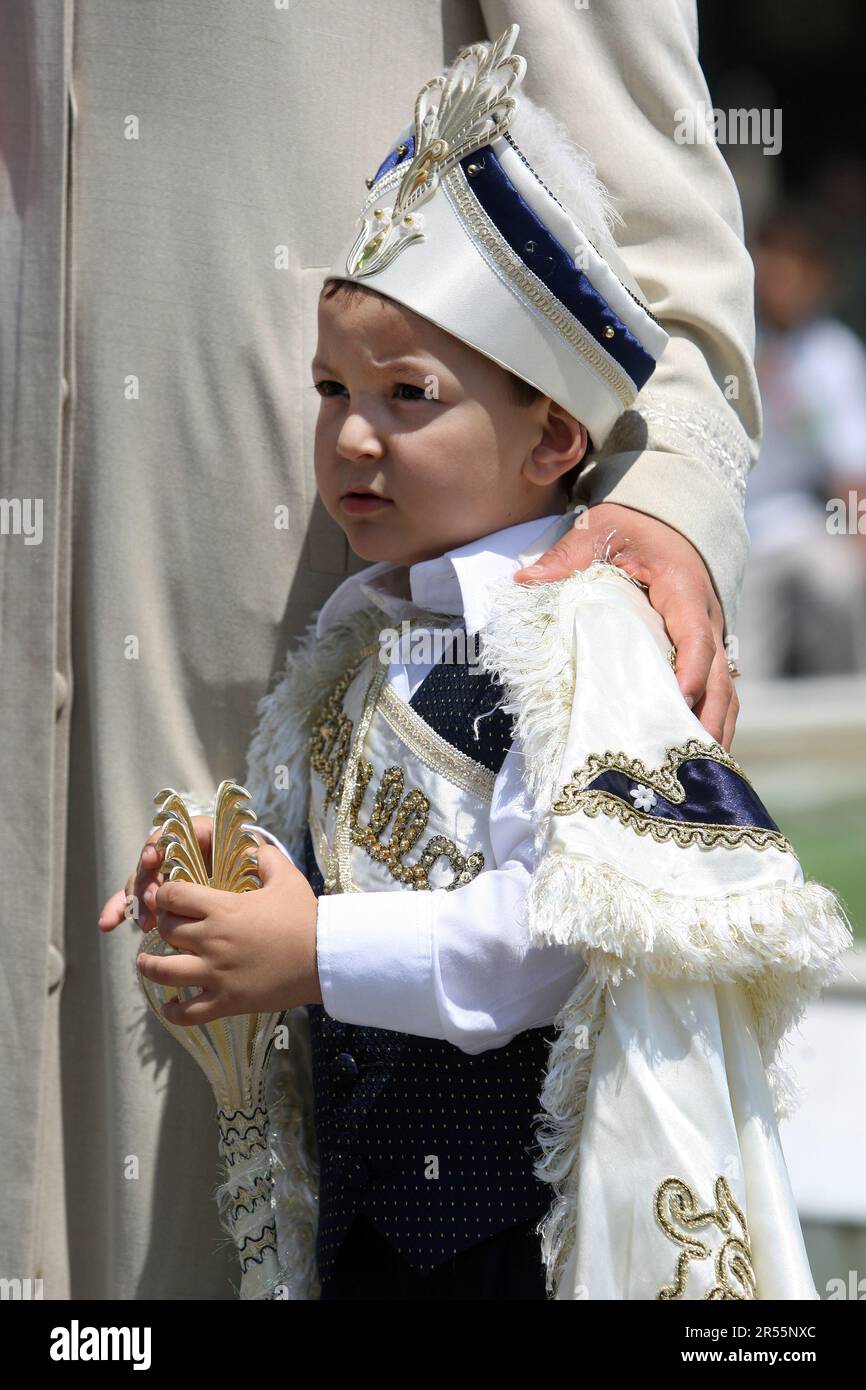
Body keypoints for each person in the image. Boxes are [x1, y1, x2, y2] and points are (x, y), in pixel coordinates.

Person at [100, 26, 851, 1301]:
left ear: (556, 433)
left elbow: (563, 927)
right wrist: (227, 881)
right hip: (367, 1236)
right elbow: (347, 860)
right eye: (331, 388)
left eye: (408, 398)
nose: (351, 436)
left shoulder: (577, 636)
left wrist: (315, 951)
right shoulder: (354, 638)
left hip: (509, 1244)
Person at [737, 202, 866, 677]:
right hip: (734, 527)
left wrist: (861, 550)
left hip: (803, 523)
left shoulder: (836, 354)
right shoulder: (729, 341)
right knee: (745, 662)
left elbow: (852, 468)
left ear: (817, 280)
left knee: (840, 584)